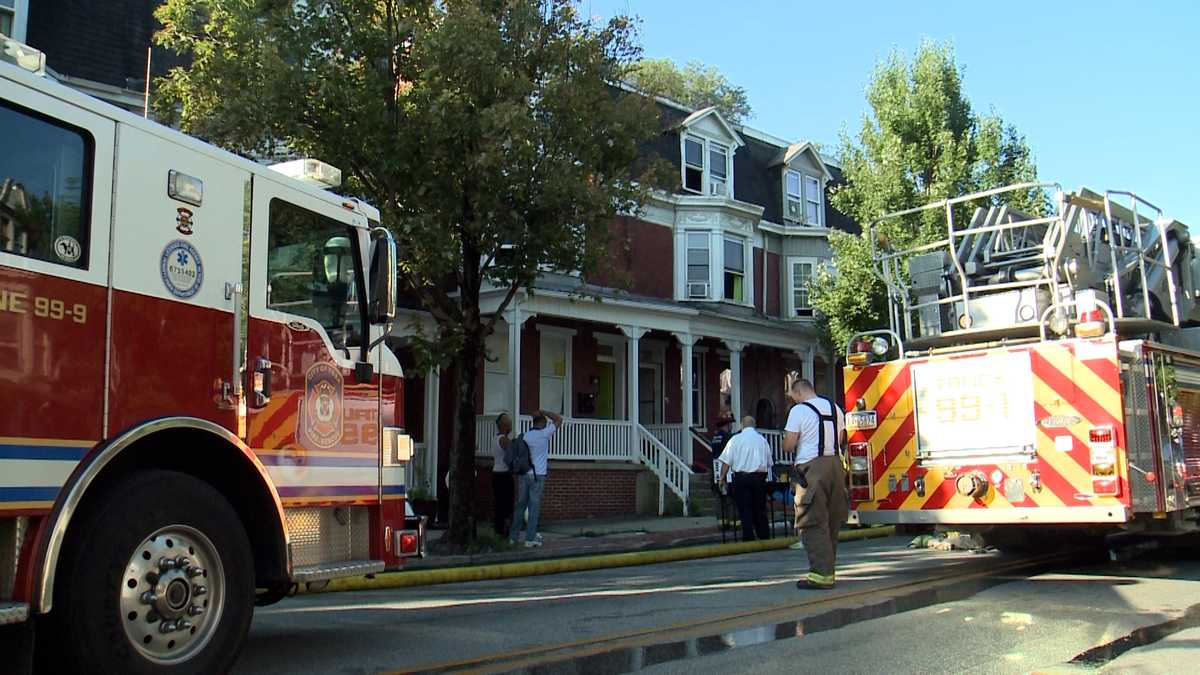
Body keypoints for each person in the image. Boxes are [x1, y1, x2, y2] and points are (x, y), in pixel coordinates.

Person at [783, 378, 847, 590]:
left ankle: (821, 575)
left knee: (811, 520)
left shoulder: (799, 411)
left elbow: (789, 445)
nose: (793, 401)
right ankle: (829, 569)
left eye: (793, 398)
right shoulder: (835, 408)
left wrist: (789, 441)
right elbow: (840, 439)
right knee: (831, 520)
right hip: (836, 467)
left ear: (798, 393)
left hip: (812, 468)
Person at [510, 409, 562, 548]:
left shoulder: (525, 436)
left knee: (520, 506)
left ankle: (513, 537)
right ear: (543, 423)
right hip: (538, 475)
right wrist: (544, 411)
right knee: (534, 507)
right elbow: (558, 419)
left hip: (523, 474)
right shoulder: (544, 434)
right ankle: (530, 538)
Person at [718, 416, 773, 541]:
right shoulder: (762, 440)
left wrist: (722, 478)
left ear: (742, 425)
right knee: (760, 508)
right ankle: (764, 535)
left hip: (741, 478)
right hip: (759, 478)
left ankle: (748, 536)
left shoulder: (735, 440)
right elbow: (769, 462)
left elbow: (726, 462)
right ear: (754, 426)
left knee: (744, 508)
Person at [490, 413, 515, 535]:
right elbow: (513, 454)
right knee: (507, 505)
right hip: (504, 475)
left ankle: (498, 530)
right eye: (509, 424)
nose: (511, 426)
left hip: (495, 474)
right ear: (504, 425)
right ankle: (504, 532)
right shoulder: (504, 440)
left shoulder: (495, 438)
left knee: (499, 504)